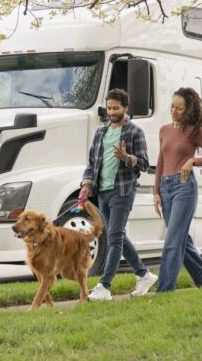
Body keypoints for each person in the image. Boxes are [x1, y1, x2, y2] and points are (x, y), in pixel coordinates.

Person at [80, 88, 158, 301]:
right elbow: (92, 164)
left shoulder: (134, 132)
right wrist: (86, 184)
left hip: (123, 191)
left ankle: (104, 286)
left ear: (125, 108)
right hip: (102, 192)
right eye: (109, 108)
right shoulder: (100, 133)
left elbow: (144, 164)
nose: (112, 112)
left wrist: (126, 157)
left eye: (116, 108)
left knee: (114, 238)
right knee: (118, 236)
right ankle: (144, 274)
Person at [153, 87, 202, 292]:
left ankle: (165, 290)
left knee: (172, 240)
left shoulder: (195, 131)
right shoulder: (164, 130)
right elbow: (161, 161)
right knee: (181, 238)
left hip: (184, 188)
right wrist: (156, 191)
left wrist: (193, 161)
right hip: (165, 188)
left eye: (179, 108)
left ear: (188, 110)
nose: (174, 111)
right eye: (172, 107)